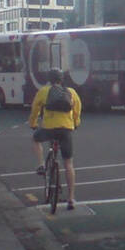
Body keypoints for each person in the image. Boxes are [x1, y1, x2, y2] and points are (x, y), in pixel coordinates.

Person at [29, 70, 81, 210]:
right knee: (68, 163)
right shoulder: (71, 92)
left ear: (49, 79)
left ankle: (41, 165)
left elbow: (35, 109)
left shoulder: (43, 91)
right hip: (66, 129)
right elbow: (77, 109)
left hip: (49, 128)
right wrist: (76, 122)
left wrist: (33, 123)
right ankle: (70, 199)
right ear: (61, 79)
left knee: (35, 139)